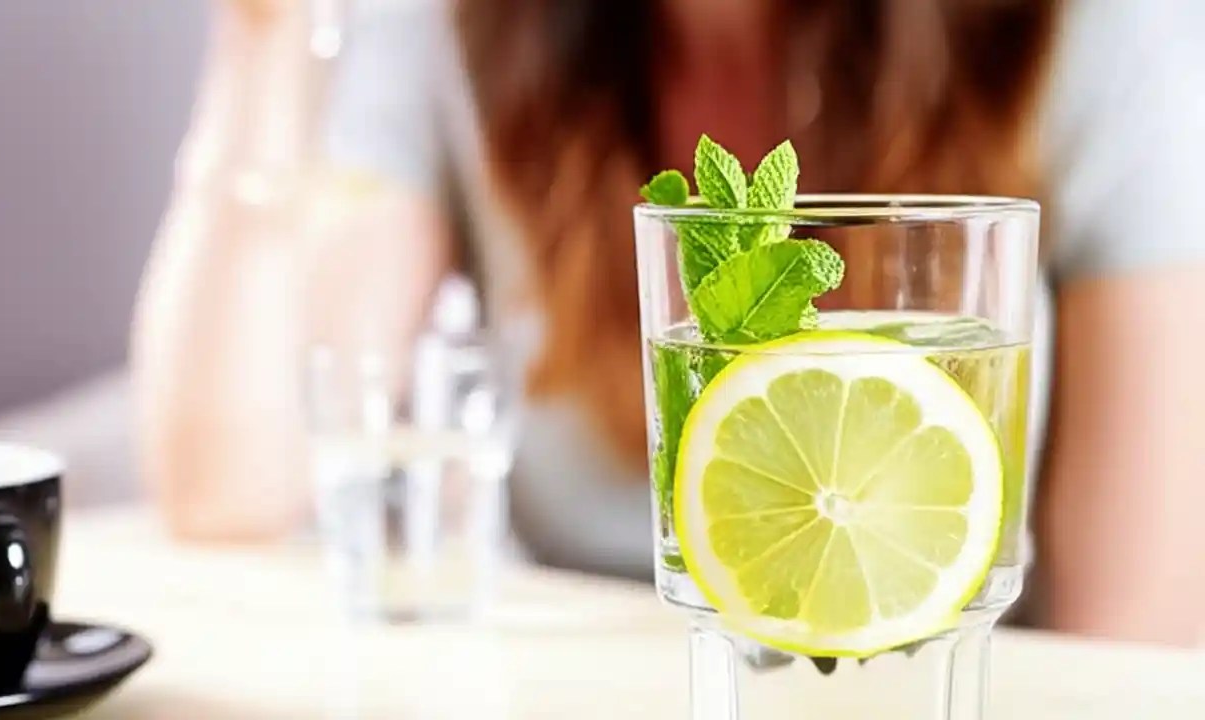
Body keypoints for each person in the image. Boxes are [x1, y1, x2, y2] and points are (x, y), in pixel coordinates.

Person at [164, 0, 1205, 645]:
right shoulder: (455, 26)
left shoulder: (1098, 32)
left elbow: (1135, 639)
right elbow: (230, 482)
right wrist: (262, 39)